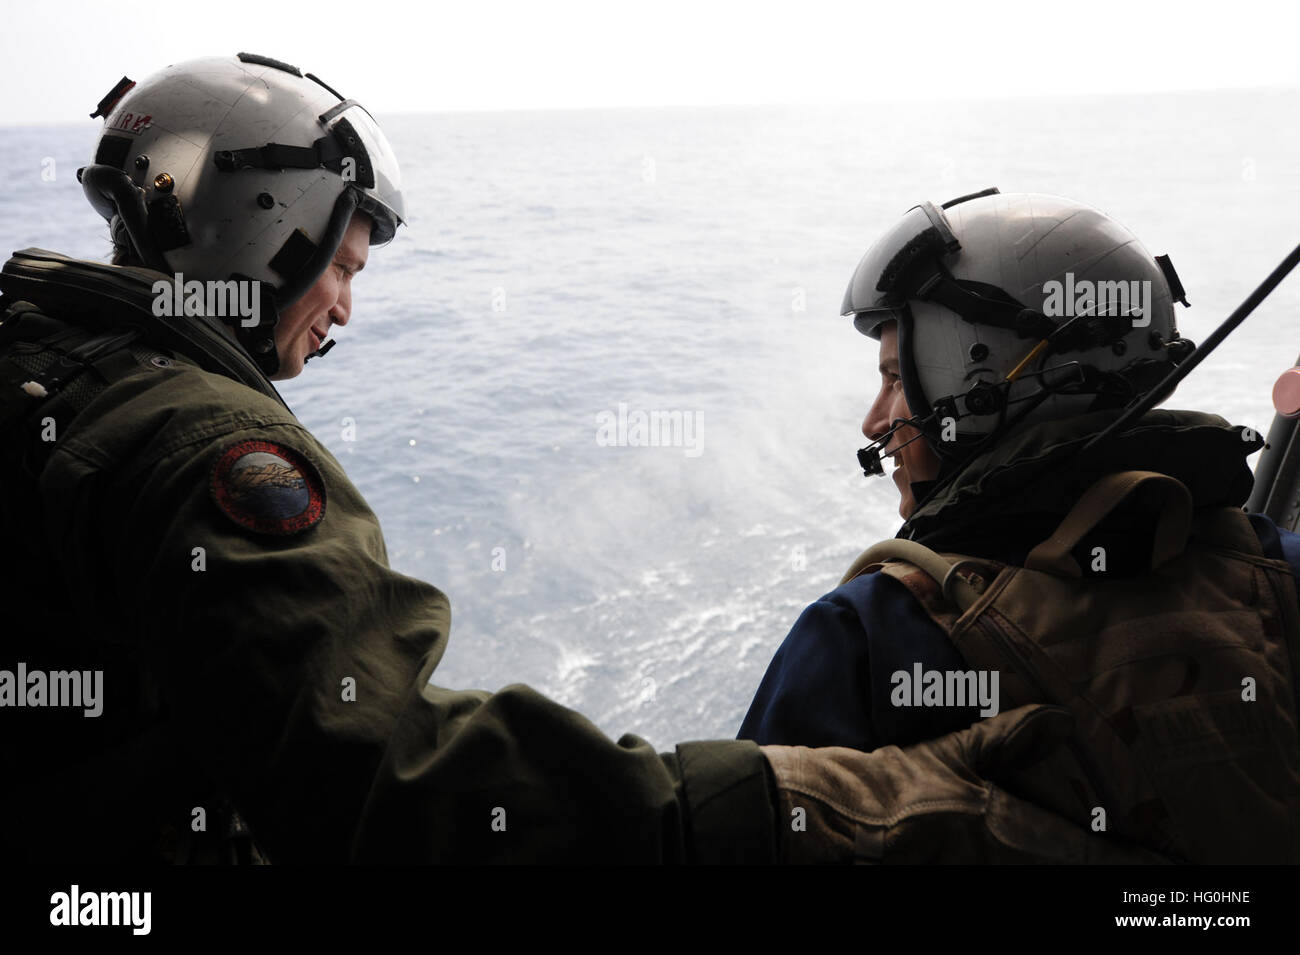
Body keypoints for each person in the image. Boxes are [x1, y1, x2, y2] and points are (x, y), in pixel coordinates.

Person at [0, 55, 1147, 865]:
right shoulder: (202, 444)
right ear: (266, 228)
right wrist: (799, 804)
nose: (343, 311)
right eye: (343, 266)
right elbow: (394, 776)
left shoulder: (47, 361)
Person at [739, 189, 1300, 863]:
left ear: (972, 377)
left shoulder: (870, 635)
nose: (875, 420)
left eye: (894, 377)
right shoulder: (1280, 569)